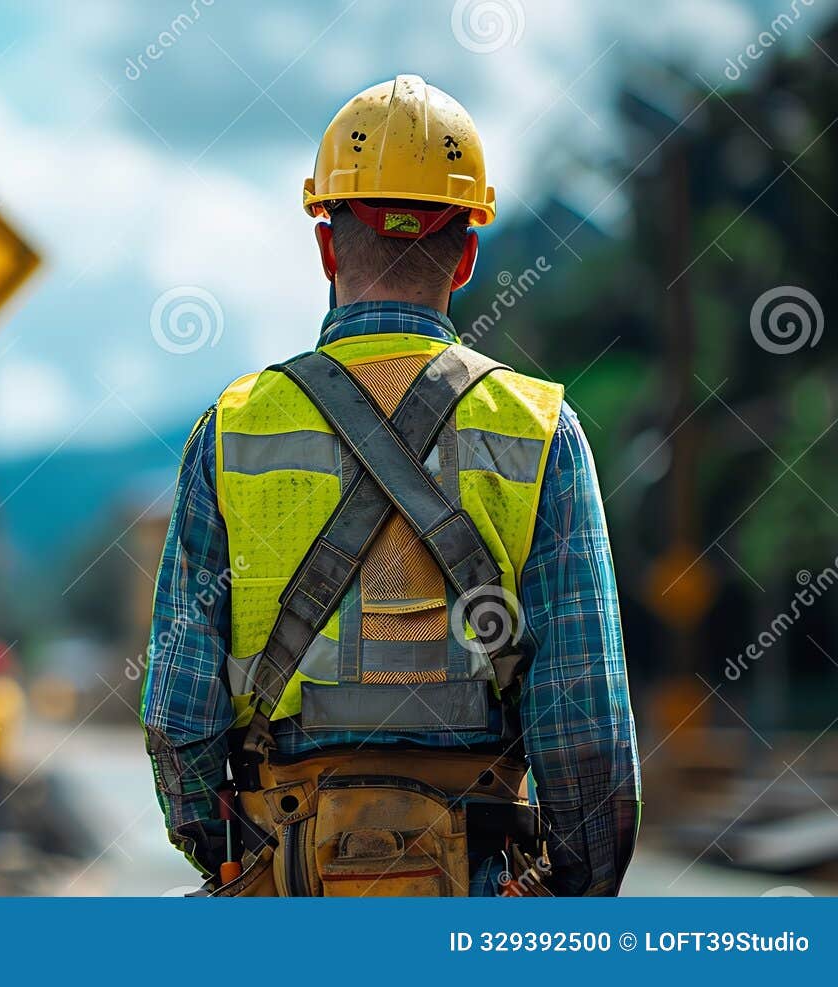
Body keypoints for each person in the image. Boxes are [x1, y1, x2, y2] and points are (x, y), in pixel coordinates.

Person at [139, 76, 640, 896]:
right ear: (469, 255)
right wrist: (565, 895)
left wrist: (234, 854)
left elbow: (177, 718)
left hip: (288, 877)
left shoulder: (233, 430)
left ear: (328, 247)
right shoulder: (542, 431)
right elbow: (587, 728)